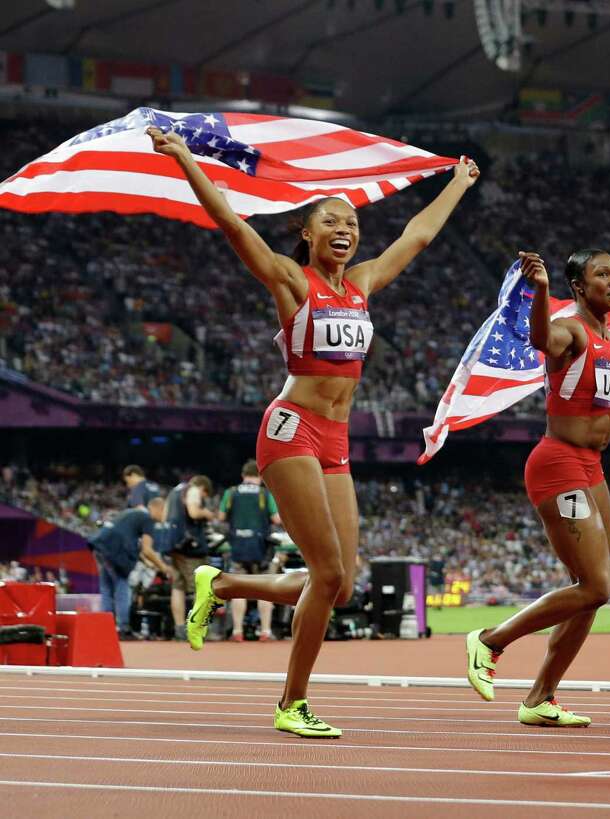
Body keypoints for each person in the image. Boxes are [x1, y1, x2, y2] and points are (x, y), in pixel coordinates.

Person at [146, 125, 478, 737]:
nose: (344, 229)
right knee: (325, 575)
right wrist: (188, 160)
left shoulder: (364, 283)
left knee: (342, 583)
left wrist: (457, 182)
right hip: (291, 429)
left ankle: (220, 583)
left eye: (350, 221)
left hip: (336, 441)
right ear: (307, 233)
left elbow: (420, 234)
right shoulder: (292, 281)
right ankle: (291, 702)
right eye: (330, 220)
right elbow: (232, 224)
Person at [464, 249, 610, 727]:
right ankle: (490, 640)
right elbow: (541, 337)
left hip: (592, 468)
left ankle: (540, 698)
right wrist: (541, 292)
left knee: (592, 593)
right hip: (557, 465)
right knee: (597, 584)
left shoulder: (606, 340)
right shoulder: (572, 329)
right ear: (579, 286)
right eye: (603, 274)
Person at [87, 498, 172, 639]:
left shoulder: (134, 514)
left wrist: (150, 564)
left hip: (100, 546)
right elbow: (147, 550)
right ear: (158, 509)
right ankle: (123, 628)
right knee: (122, 585)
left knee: (107, 587)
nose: (165, 517)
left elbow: (137, 547)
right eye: (165, 512)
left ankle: (105, 628)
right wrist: (163, 567)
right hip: (113, 551)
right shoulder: (148, 519)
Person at [218, 460, 283, 642]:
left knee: (239, 590)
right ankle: (265, 631)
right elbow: (276, 519)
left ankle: (237, 631)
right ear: (260, 476)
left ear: (243, 475)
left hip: (238, 547)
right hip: (261, 549)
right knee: (265, 589)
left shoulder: (230, 493)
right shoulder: (264, 494)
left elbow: (222, 516)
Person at [164, 474, 215, 641]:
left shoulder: (174, 491)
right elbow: (193, 512)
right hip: (189, 546)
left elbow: (164, 516)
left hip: (174, 544)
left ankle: (179, 628)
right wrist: (206, 513)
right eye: (205, 496)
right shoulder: (193, 489)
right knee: (200, 588)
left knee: (178, 586)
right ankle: (197, 629)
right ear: (203, 488)